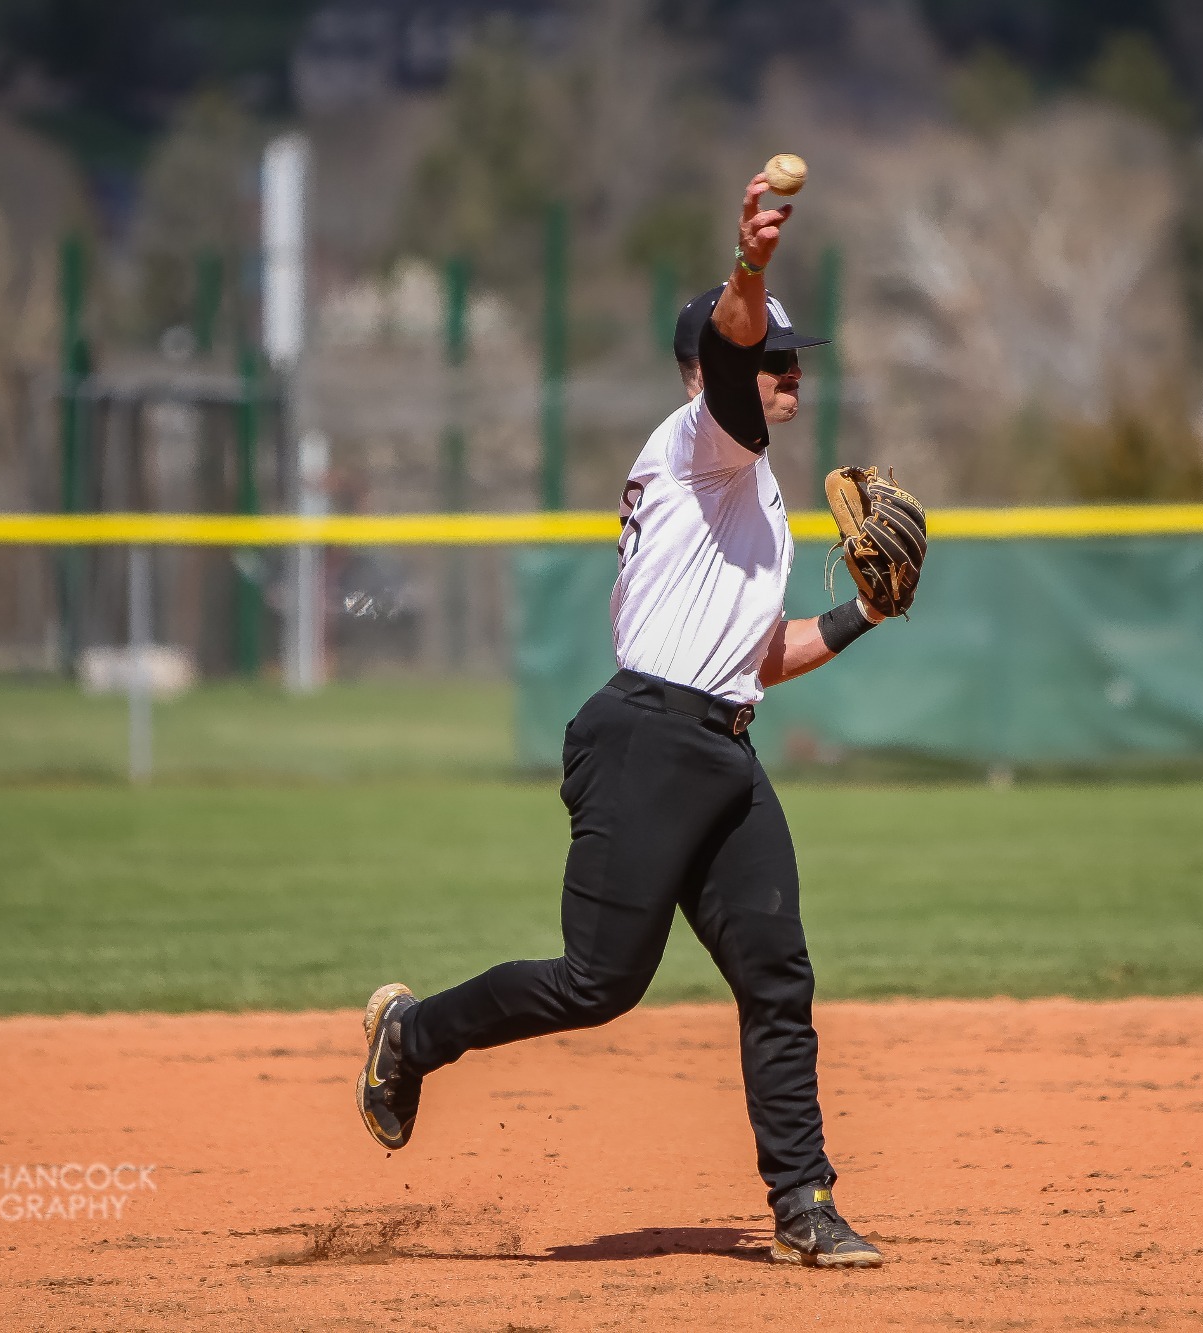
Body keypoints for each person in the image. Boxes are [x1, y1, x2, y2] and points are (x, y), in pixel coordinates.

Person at [359, 168, 899, 1269]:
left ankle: (802, 1200)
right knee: (596, 983)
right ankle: (410, 1035)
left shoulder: (748, 494)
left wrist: (862, 614)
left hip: (717, 743)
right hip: (645, 738)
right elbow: (735, 335)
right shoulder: (705, 441)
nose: (791, 373)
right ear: (713, 370)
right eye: (771, 359)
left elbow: (752, 661)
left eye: (796, 360)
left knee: (775, 974)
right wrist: (748, 262)